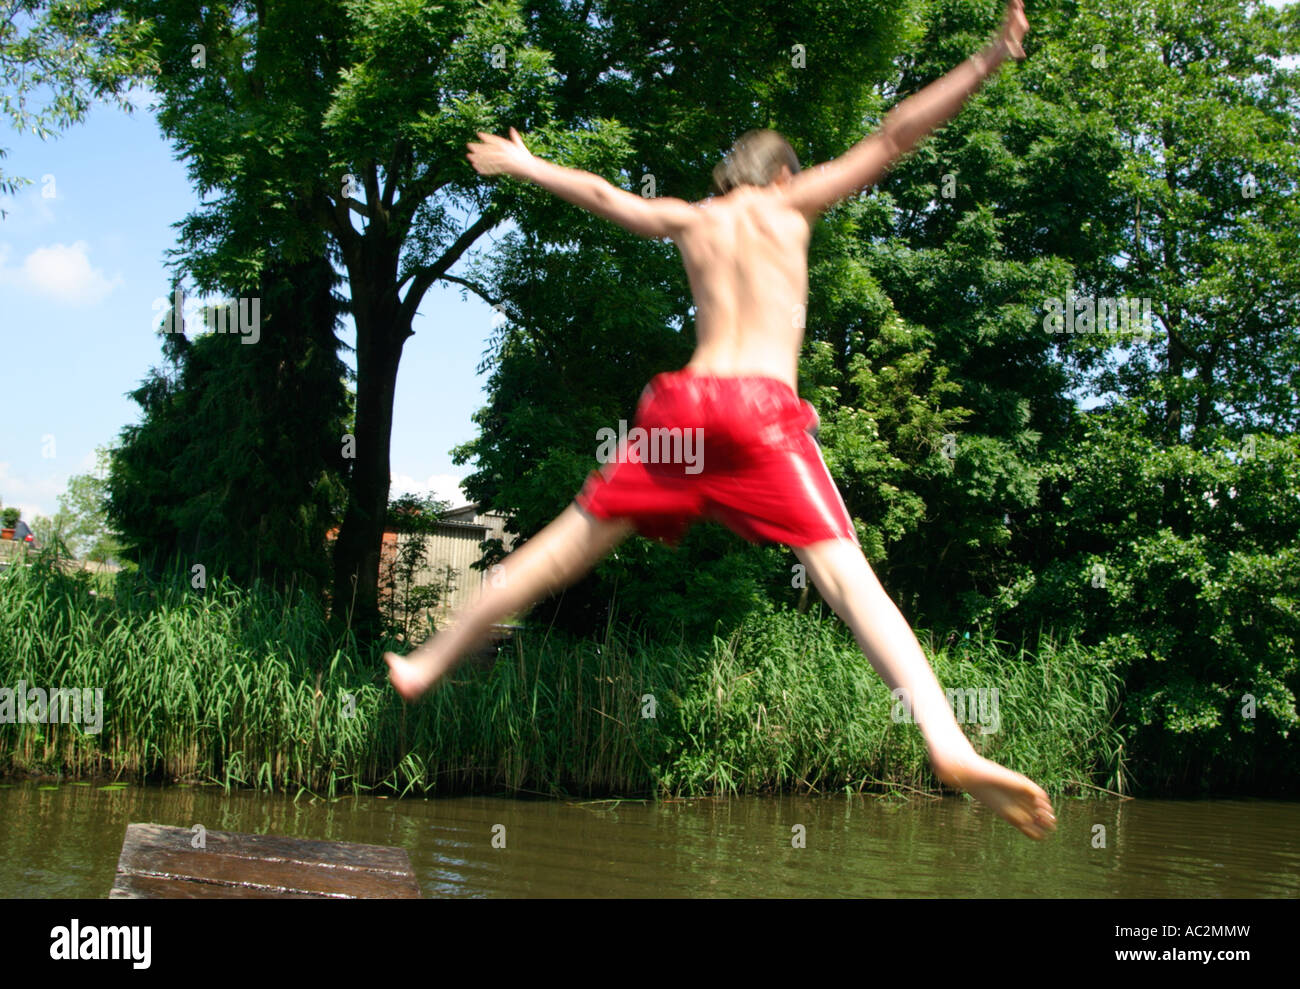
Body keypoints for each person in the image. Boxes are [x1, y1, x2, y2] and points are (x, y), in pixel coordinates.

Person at [387, 0, 1056, 840]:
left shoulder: (695, 219)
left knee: (564, 545)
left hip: (681, 408)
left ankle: (428, 660)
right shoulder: (790, 206)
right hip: (759, 414)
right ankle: (945, 736)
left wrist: (527, 164)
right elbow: (896, 135)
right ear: (782, 176)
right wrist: (987, 60)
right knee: (846, 575)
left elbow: (602, 195)